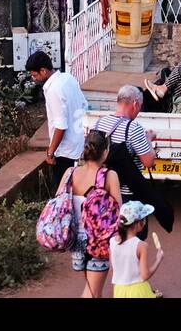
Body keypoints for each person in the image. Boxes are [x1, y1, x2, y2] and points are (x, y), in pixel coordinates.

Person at [95, 85, 174, 233]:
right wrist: (148, 139)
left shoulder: (100, 123)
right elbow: (148, 162)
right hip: (127, 196)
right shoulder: (133, 128)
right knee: (133, 240)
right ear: (135, 104)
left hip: (103, 192)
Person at [57, 130, 122, 298]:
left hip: (75, 241)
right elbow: (119, 212)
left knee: (93, 290)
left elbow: (58, 204)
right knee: (91, 293)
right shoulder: (109, 176)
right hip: (98, 242)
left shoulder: (70, 173)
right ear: (105, 152)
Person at [27, 50, 88, 193]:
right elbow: (84, 104)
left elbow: (60, 126)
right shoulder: (68, 78)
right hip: (79, 143)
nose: (33, 78)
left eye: (34, 75)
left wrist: (50, 152)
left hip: (65, 152)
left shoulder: (53, 89)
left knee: (62, 195)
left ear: (43, 71)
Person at [110, 200, 163, 298]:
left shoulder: (112, 241)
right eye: (144, 219)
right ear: (138, 224)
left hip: (119, 291)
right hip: (139, 291)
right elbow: (145, 275)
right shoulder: (141, 245)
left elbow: (113, 269)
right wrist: (158, 260)